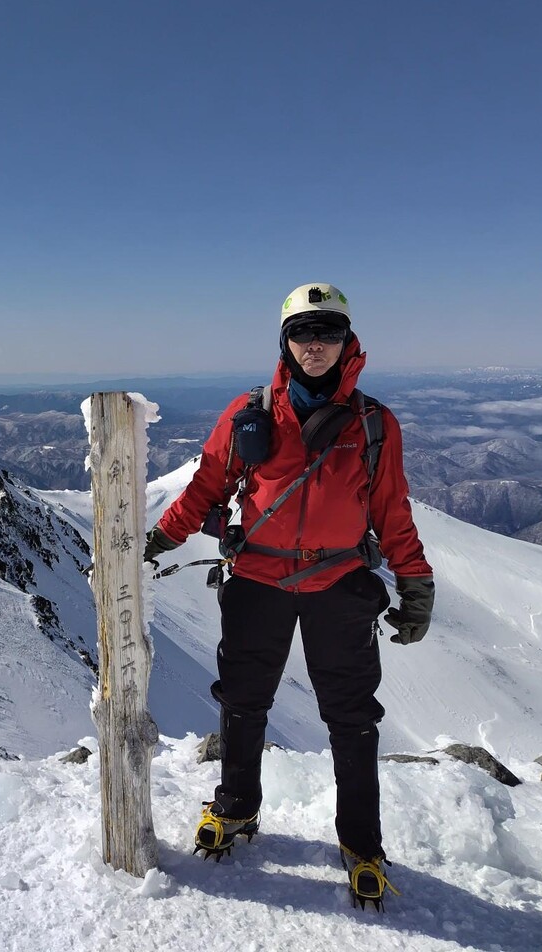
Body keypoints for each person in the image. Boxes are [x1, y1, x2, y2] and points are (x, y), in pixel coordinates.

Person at [142, 281, 434, 909]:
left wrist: (415, 584)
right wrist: (157, 540)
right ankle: (236, 809)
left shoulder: (374, 424)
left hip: (339, 585)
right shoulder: (249, 413)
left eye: (327, 332)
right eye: (303, 332)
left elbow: (392, 511)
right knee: (243, 703)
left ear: (346, 339)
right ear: (285, 339)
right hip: (256, 580)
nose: (315, 345)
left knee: (352, 720)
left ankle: (362, 845)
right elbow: (204, 489)